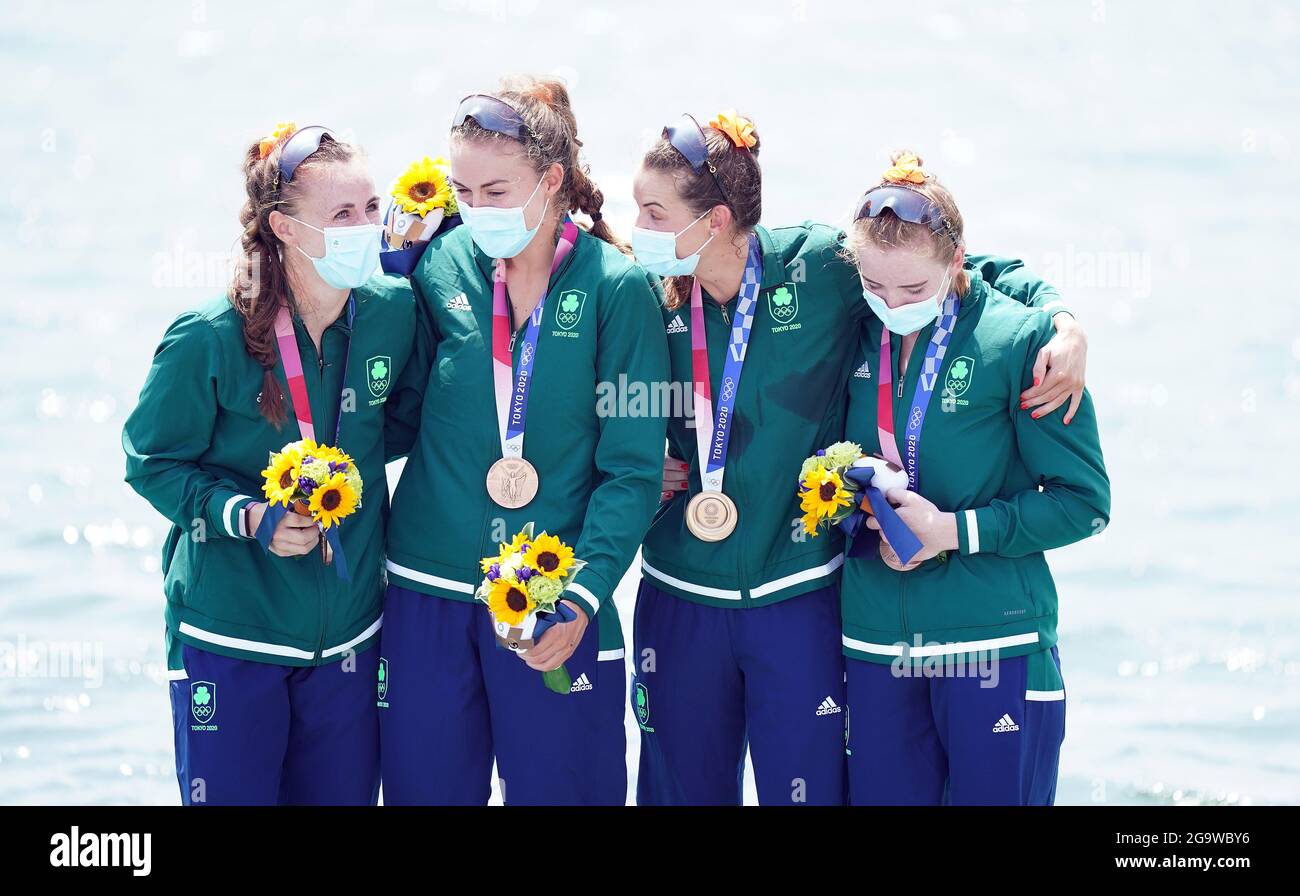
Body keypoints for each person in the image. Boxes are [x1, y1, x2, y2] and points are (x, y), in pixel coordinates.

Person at [630, 113, 1088, 805]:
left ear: (716, 219)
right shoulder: (638, 290)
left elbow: (949, 270)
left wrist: (1062, 317)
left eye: (652, 211)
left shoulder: (819, 267)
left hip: (801, 595)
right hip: (683, 590)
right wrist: (637, 466)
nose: (635, 226)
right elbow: (580, 396)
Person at [379, 76, 669, 805]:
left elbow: (631, 473)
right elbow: (393, 409)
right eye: (462, 191)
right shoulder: (440, 265)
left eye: (496, 191)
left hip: (552, 602)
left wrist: (582, 597)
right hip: (428, 592)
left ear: (551, 180)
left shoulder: (616, 288)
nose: (475, 210)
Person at [122, 124, 414, 805]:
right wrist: (247, 515)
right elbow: (150, 461)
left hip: (349, 637)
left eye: (372, 208)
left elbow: (406, 421)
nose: (365, 228)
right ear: (284, 226)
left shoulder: (391, 312)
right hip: (231, 637)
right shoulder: (207, 336)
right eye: (342, 214)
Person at [838, 152, 1110, 804]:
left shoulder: (1020, 343)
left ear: (956, 263)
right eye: (875, 286)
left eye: (912, 292)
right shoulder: (848, 326)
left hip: (995, 642)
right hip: (876, 645)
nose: (891, 305)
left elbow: (1084, 503)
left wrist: (950, 530)